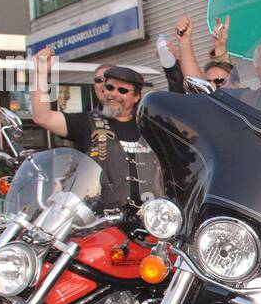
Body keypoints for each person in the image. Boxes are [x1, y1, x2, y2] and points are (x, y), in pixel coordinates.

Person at [30, 50, 162, 209]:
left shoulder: (150, 127)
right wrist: (41, 74)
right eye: (110, 87)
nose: (114, 94)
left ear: (136, 97)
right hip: (103, 222)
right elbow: (43, 117)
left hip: (152, 220)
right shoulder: (86, 122)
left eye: (122, 90)